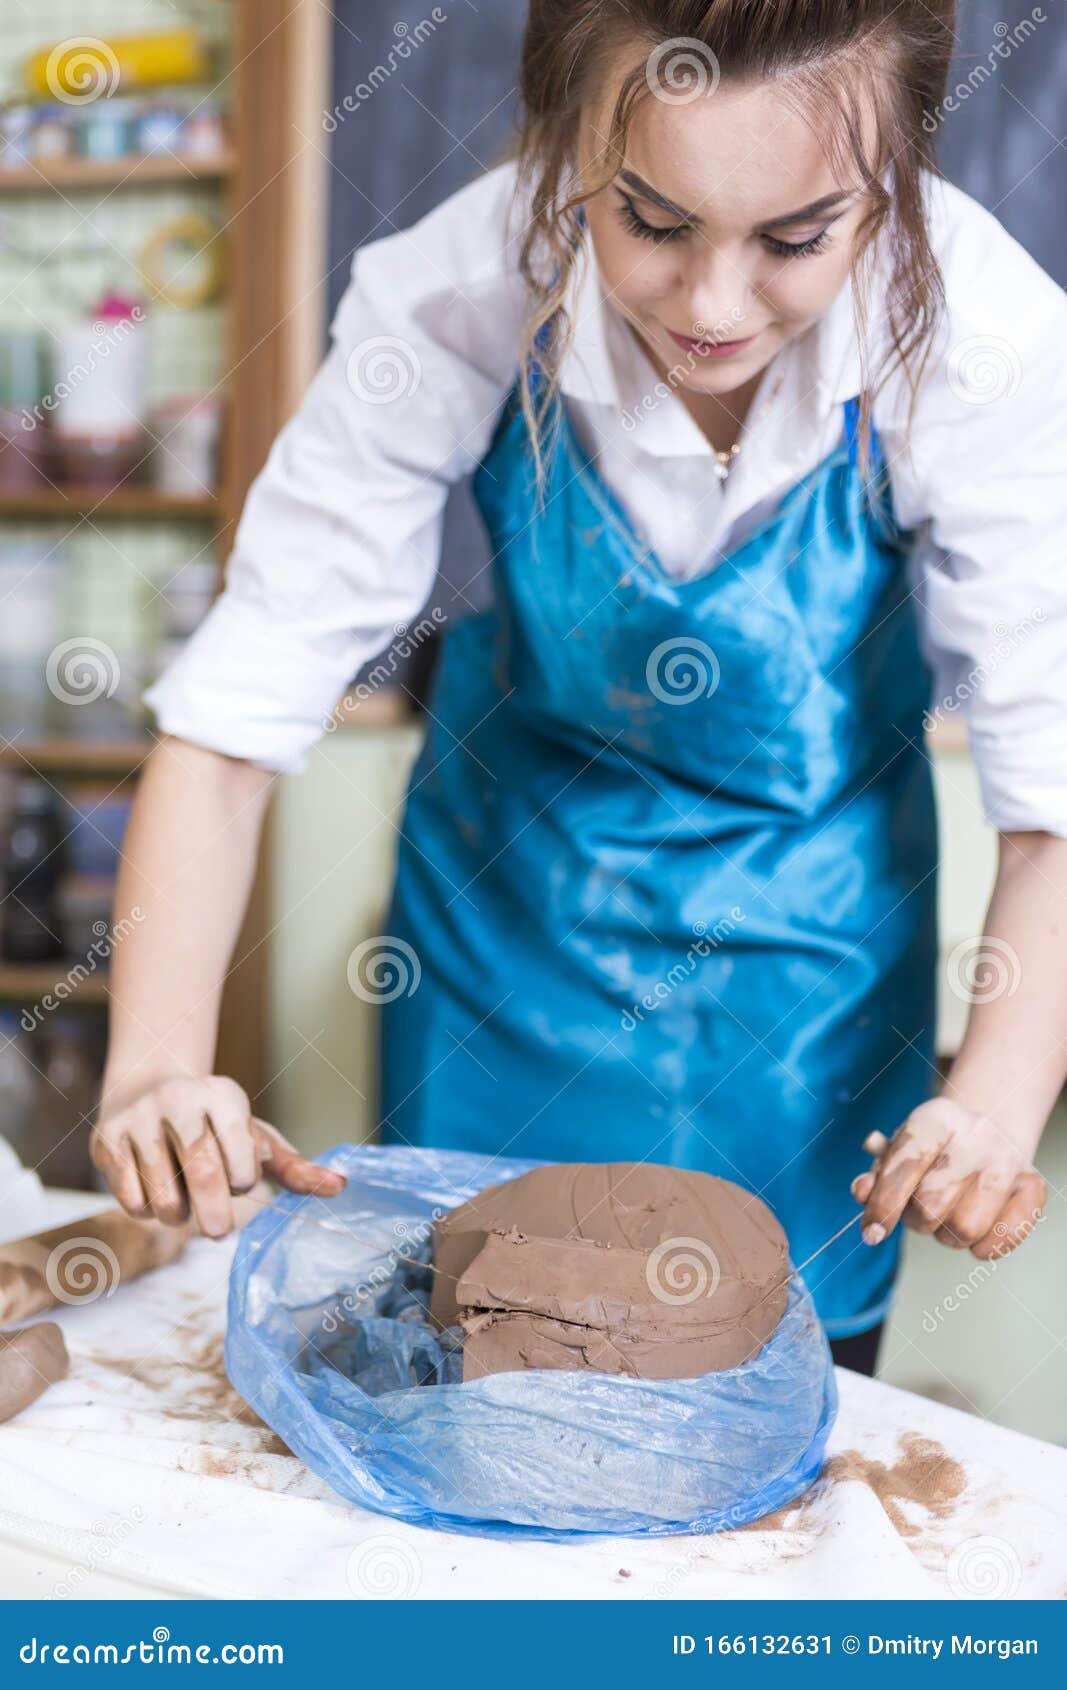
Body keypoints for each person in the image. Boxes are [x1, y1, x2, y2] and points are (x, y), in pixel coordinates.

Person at [94, 0, 1064, 1376]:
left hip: (812, 993)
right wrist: (152, 1066)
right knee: (461, 1385)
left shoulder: (986, 332)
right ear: (561, 146)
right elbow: (228, 726)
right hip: (501, 950)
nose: (713, 307)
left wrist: (995, 1105)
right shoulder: (455, 287)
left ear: (899, 177)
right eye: (650, 221)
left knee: (768, 1420)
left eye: (797, 239)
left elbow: (1055, 800)